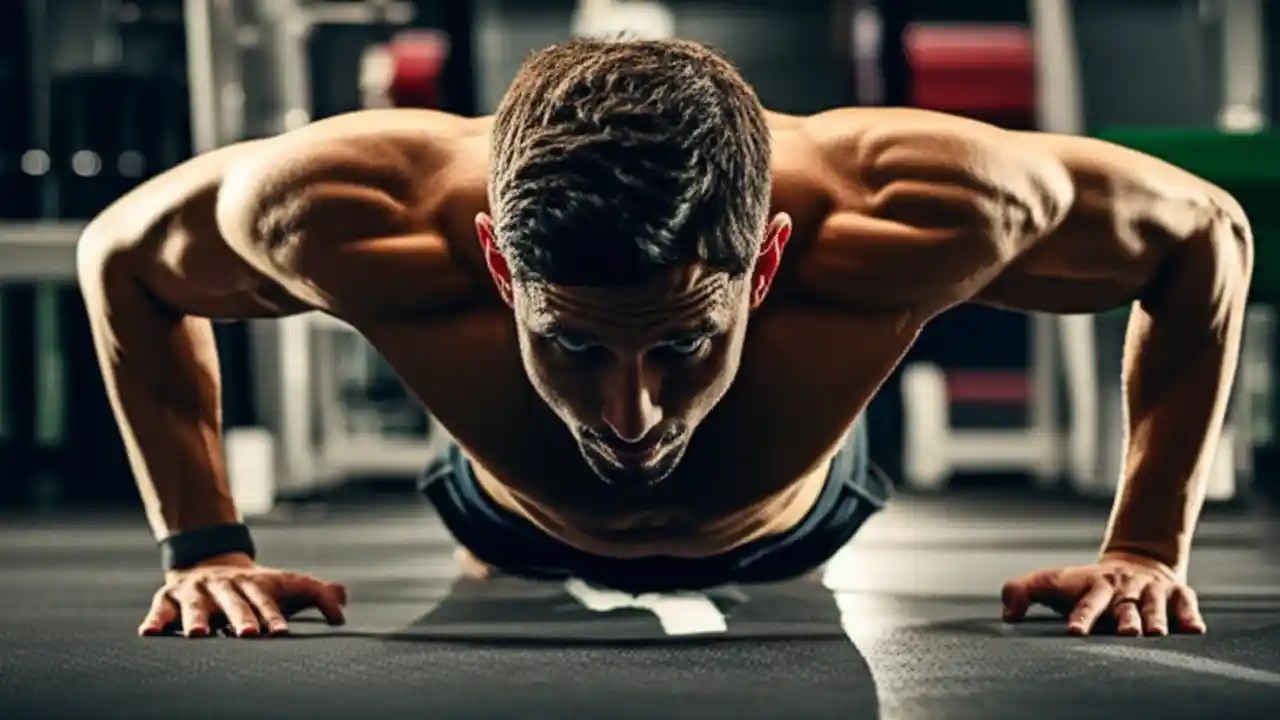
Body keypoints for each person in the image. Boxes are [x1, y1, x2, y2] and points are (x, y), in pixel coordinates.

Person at [77, 39, 1251, 641]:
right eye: (575, 345)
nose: (630, 413)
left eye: (681, 344)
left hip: (793, 519)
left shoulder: (917, 210)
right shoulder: (352, 214)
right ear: (498, 264)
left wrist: (1144, 545)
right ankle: (511, 533)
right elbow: (120, 258)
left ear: (766, 265)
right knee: (513, 529)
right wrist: (205, 549)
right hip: (502, 508)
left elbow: (1205, 233)